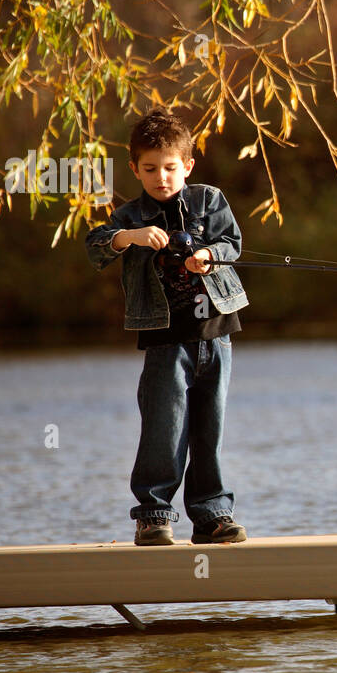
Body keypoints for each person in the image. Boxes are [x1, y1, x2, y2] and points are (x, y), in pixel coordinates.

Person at [84, 107, 250, 545]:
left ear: (188, 166)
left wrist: (210, 256)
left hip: (216, 334)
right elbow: (96, 246)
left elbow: (232, 243)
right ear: (136, 169)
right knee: (163, 428)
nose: (162, 177)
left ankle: (212, 515)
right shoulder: (130, 216)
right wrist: (131, 237)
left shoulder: (209, 200)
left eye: (171, 168)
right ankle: (154, 516)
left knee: (209, 429)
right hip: (164, 341)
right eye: (151, 169)